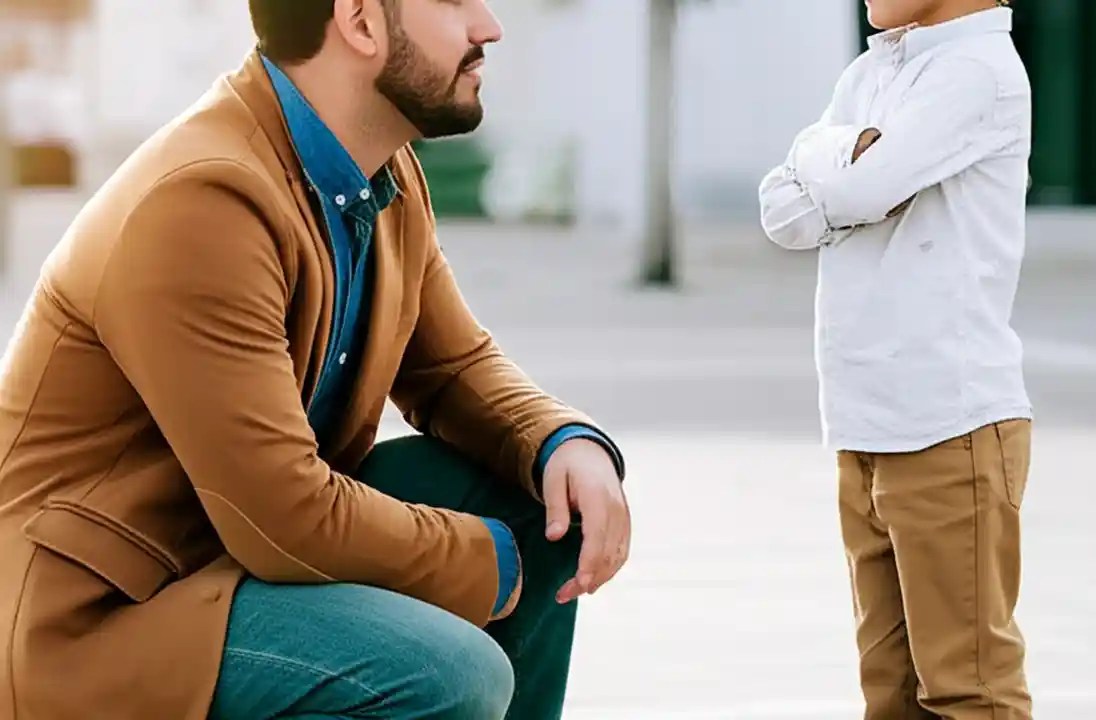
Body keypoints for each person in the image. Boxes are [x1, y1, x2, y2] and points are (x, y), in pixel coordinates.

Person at [0, 1, 631, 718]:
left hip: (227, 558)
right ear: (360, 21)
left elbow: (453, 370)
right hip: (102, 620)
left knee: (544, 500)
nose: (489, 26)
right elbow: (284, 516)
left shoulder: (380, 173)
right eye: (454, 1)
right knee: (451, 673)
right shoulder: (203, 201)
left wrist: (561, 441)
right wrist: (490, 563)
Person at [757, 1, 1033, 718]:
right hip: (864, 420)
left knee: (969, 689)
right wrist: (848, 153)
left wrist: (825, 159)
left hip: (948, 421)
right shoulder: (871, 71)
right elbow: (779, 213)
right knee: (889, 692)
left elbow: (858, 190)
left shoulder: (975, 73)